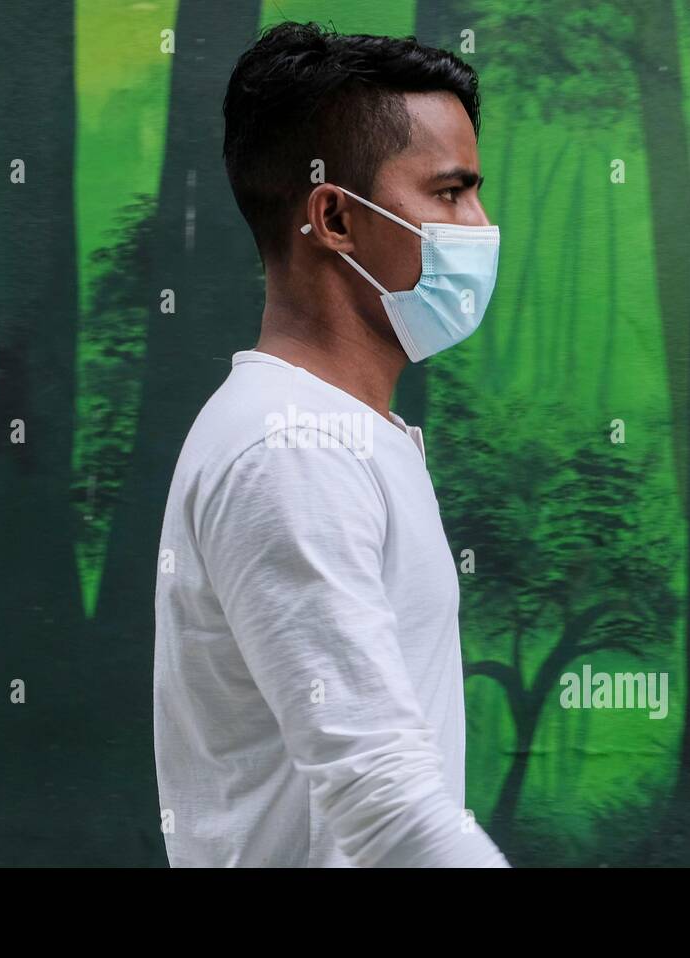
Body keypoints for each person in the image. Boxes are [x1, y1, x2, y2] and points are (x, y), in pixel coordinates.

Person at [153, 20, 510, 867]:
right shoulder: (293, 451)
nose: (481, 224)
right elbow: (385, 801)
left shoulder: (340, 434)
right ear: (336, 217)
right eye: (452, 192)